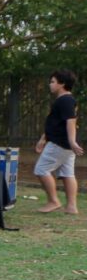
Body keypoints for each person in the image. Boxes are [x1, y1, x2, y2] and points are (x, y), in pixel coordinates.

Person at [34, 69, 82, 214]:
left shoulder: (65, 100)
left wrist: (72, 141)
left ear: (62, 84)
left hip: (59, 144)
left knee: (41, 169)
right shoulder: (64, 100)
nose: (50, 84)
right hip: (64, 144)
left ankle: (53, 201)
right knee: (68, 173)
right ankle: (72, 207)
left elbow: (71, 122)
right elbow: (54, 123)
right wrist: (43, 139)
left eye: (53, 81)